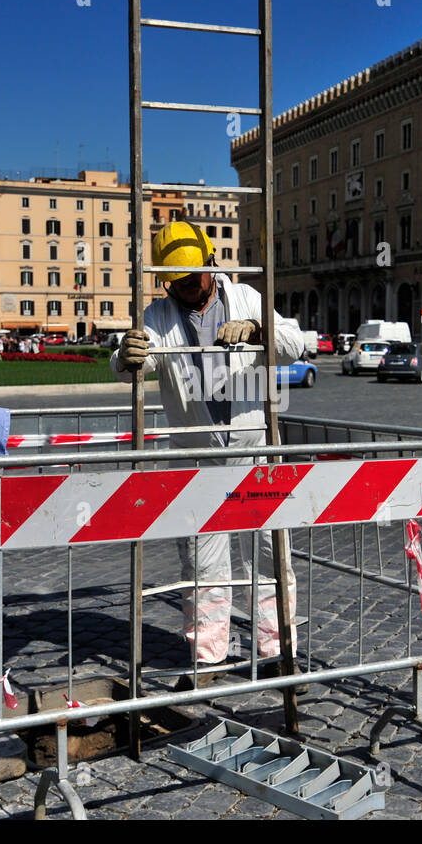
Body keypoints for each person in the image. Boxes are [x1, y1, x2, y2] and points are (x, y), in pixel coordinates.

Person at [110, 220, 303, 688]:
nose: (185, 289)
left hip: (254, 452)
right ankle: (208, 659)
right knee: (201, 565)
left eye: (192, 278)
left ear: (211, 265)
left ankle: (279, 650)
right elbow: (136, 362)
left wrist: (259, 331)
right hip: (196, 456)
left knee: (270, 557)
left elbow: (296, 343)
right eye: (175, 282)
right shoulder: (158, 316)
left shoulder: (247, 299)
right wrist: (125, 354)